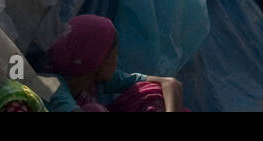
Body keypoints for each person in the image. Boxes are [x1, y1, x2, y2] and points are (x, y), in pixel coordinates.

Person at [45, 15, 183, 112]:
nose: (117, 60)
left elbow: (170, 83)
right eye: (114, 55)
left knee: (150, 92)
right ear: (98, 61)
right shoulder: (52, 85)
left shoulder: (95, 78)